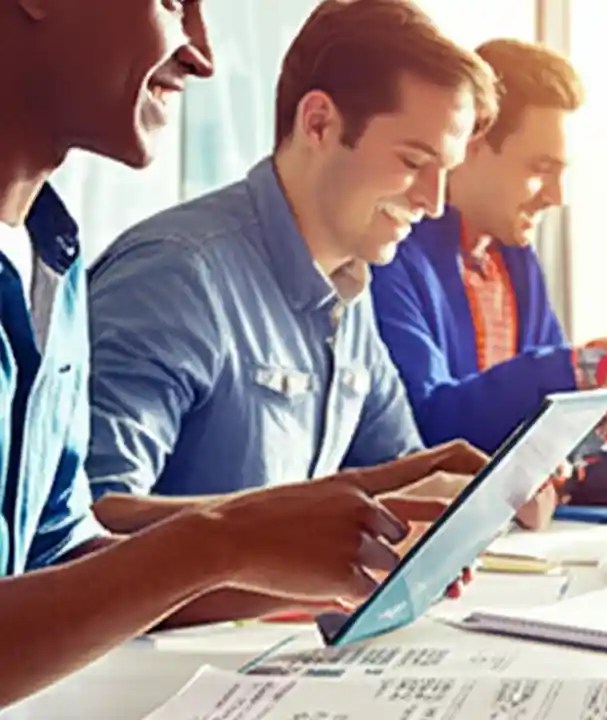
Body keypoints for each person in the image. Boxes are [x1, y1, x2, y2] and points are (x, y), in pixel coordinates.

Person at [0, 0, 467, 706]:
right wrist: (220, 542)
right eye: (170, 1)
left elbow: (63, 558)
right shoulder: (174, 270)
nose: (204, 55)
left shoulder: (51, 261)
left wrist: (359, 512)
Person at [83, 2, 562, 534]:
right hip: (190, 624)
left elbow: (405, 481)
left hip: (282, 621)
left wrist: (483, 494)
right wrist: (299, 532)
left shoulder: (351, 294)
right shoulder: (176, 277)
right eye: (412, 163)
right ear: (318, 124)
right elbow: (90, 529)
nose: (434, 202)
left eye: (445, 173)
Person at [370, 39, 607, 455]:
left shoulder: (516, 261)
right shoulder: (391, 254)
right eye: (541, 170)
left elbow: (554, 416)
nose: (556, 196)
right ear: (473, 145)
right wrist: (580, 367)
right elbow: (426, 423)